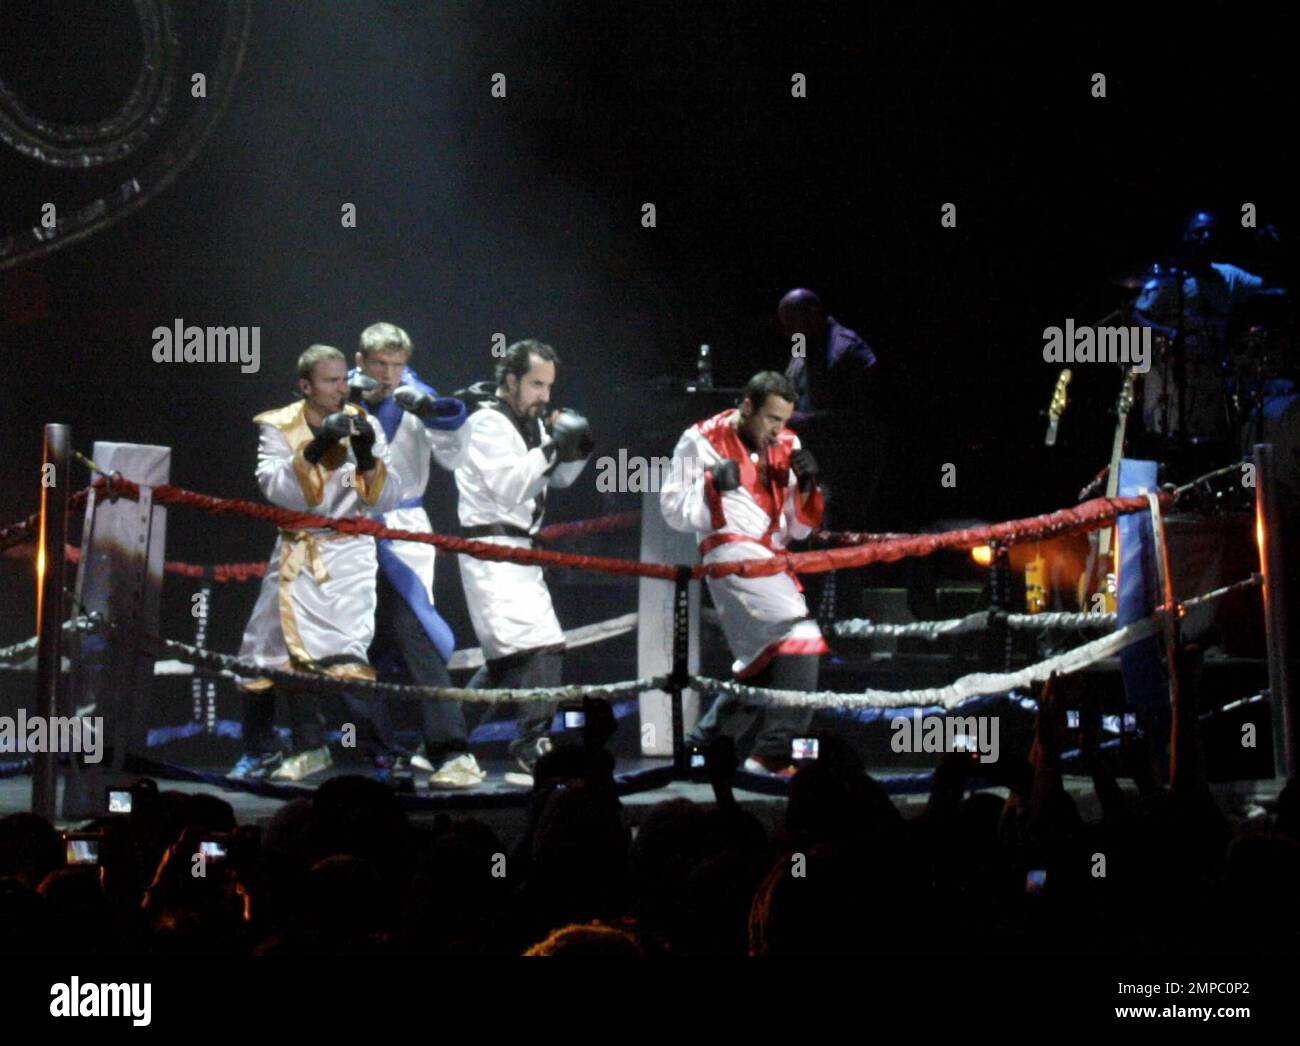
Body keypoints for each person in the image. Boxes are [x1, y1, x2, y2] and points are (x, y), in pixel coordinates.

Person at [229, 344, 405, 782]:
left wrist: (366, 458)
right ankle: (265, 750)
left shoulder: (364, 423)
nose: (341, 388)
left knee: (345, 653)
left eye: (345, 378)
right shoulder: (279, 425)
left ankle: (380, 754)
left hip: (348, 554)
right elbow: (276, 489)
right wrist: (316, 446)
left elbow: (388, 498)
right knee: (263, 652)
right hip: (295, 550)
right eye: (331, 380)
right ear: (306, 385)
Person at [659, 370, 828, 777]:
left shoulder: (788, 442)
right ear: (747, 406)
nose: (778, 429)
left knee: (765, 663)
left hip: (773, 557)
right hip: (728, 553)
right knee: (799, 634)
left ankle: (699, 747)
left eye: (785, 420)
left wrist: (807, 483)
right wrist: (711, 486)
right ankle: (772, 753)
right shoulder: (700, 439)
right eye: (771, 418)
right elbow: (672, 511)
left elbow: (800, 529)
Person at [449, 339, 594, 786]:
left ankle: (441, 744)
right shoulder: (487, 424)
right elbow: (512, 488)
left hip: (518, 553)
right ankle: (530, 747)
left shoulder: (528, 425)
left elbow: (558, 480)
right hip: (492, 549)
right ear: (510, 379)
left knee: (508, 661)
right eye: (536, 384)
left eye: (549, 386)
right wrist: (554, 448)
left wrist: (579, 448)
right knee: (541, 646)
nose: (545, 396)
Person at [348, 321, 486, 789]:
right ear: (362, 360)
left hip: (402, 532)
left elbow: (453, 458)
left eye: (397, 365)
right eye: (380, 364)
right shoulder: (337, 394)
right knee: (344, 646)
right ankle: (379, 754)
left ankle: (453, 750)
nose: (389, 374)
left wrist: (435, 414)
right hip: (343, 533)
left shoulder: (417, 397)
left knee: (416, 635)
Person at [1132, 209, 1286, 447]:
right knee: (1170, 435)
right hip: (1174, 372)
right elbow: (1137, 315)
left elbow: (1274, 289)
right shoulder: (1170, 280)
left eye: (1210, 233)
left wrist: (1271, 250)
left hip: (1215, 369)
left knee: (1215, 437)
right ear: (1186, 236)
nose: (1205, 237)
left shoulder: (1228, 275)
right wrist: (1168, 333)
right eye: (1198, 232)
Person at [779, 288, 883, 622]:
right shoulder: (802, 345)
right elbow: (790, 390)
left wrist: (803, 422)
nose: (787, 330)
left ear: (811, 313)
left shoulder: (847, 350)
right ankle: (813, 624)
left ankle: (846, 631)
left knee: (840, 541)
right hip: (813, 464)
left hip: (850, 464)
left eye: (790, 321)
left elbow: (865, 417)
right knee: (804, 539)